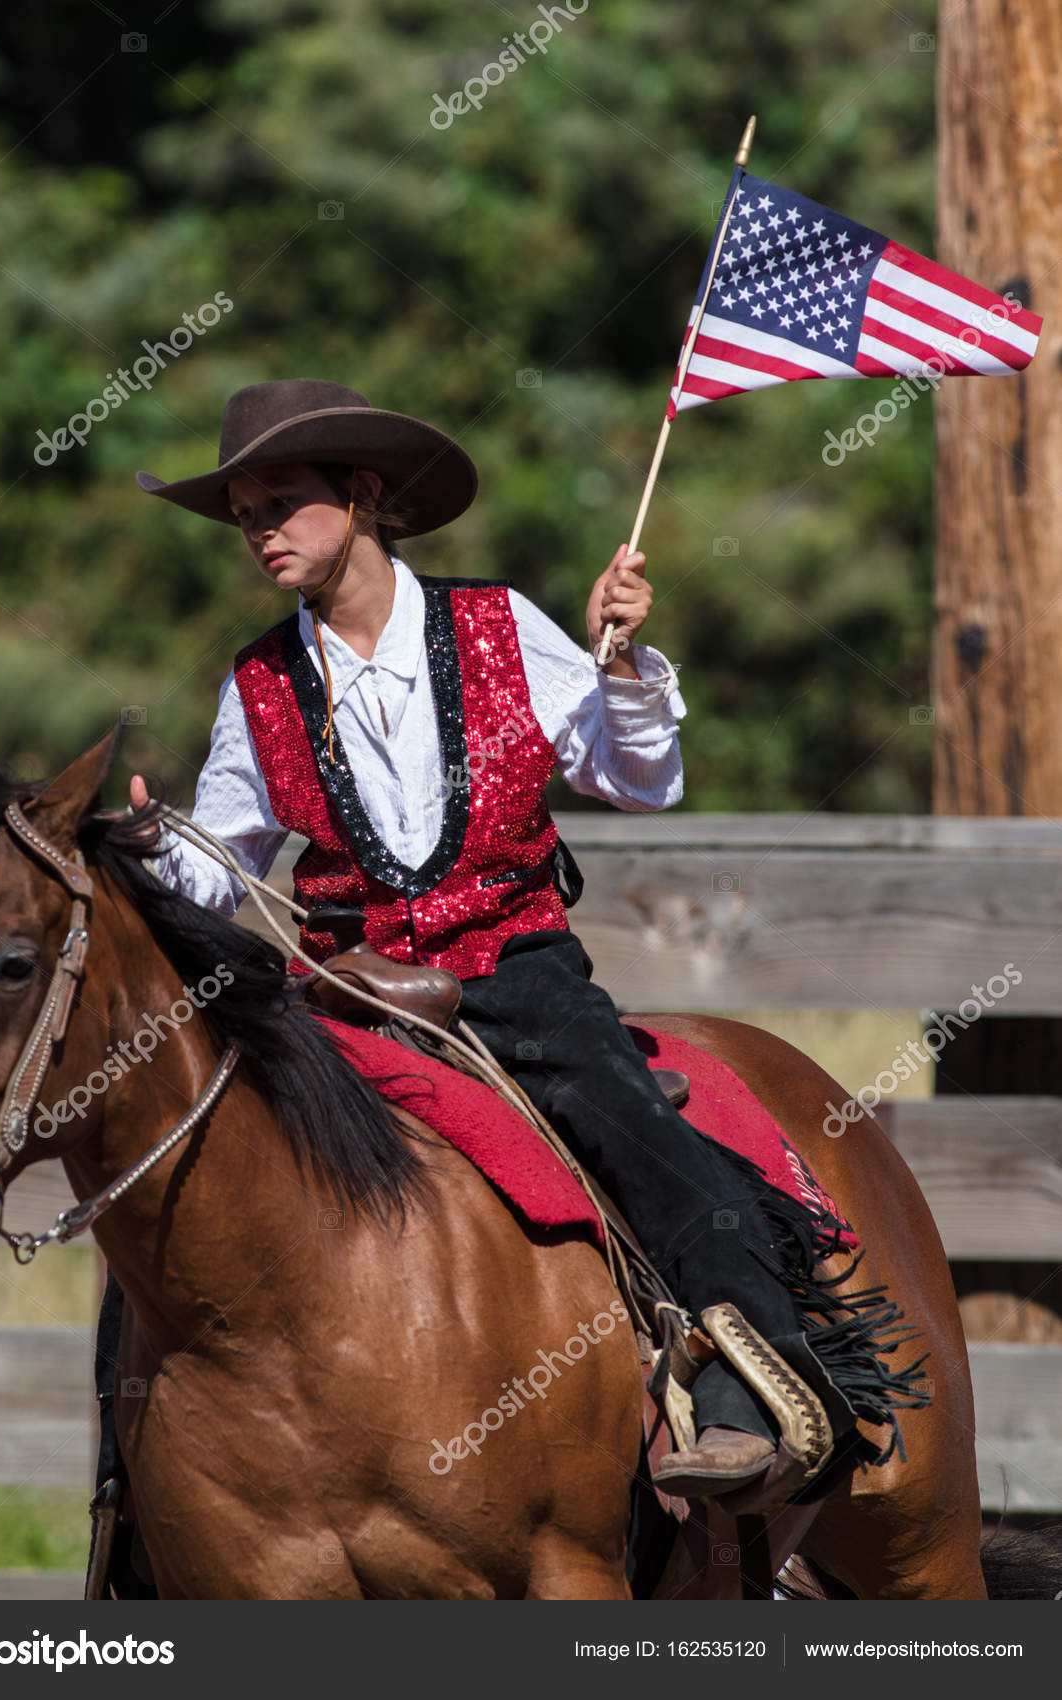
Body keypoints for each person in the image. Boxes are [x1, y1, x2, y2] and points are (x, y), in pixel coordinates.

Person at [122, 377, 924, 1505]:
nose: (259, 529)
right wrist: (156, 848)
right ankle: (144, 1504)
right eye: (244, 510)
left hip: (515, 970)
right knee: (185, 1181)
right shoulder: (256, 686)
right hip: (347, 994)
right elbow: (218, 866)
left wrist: (627, 666)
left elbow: (639, 779)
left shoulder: (496, 625)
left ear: (360, 496)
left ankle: (760, 1385)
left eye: (281, 501)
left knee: (642, 1133)